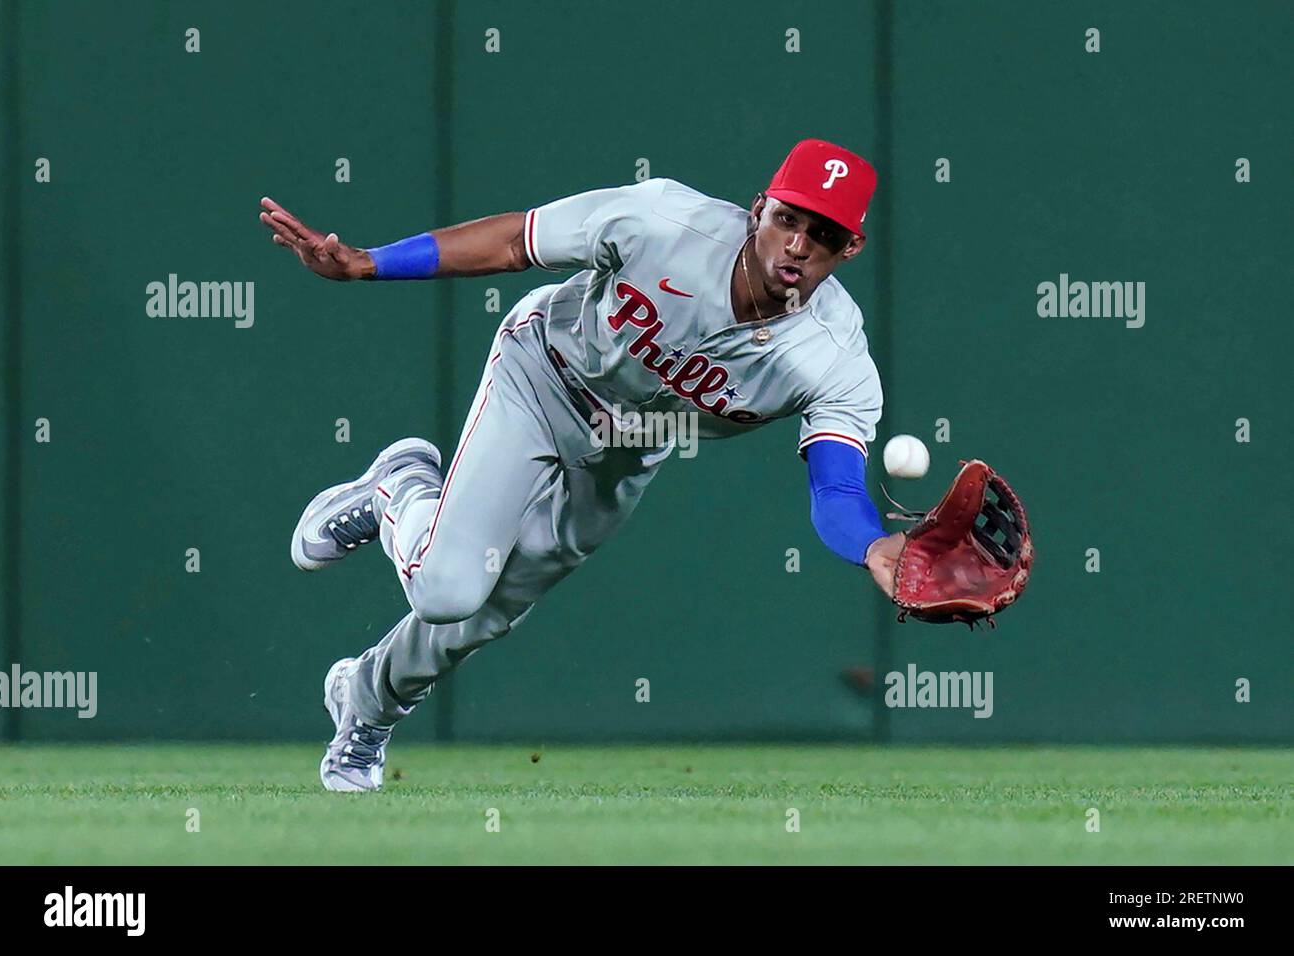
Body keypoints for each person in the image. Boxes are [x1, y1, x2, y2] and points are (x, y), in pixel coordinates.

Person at [259, 138, 905, 791]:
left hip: (633, 446)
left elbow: (835, 485)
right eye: (787, 219)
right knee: (447, 590)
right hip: (542, 376)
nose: (797, 244)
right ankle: (399, 484)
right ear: (757, 209)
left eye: (822, 233)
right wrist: (370, 263)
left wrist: (872, 547)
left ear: (849, 248)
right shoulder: (660, 221)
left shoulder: (834, 359)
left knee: (486, 613)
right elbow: (516, 240)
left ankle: (365, 707)